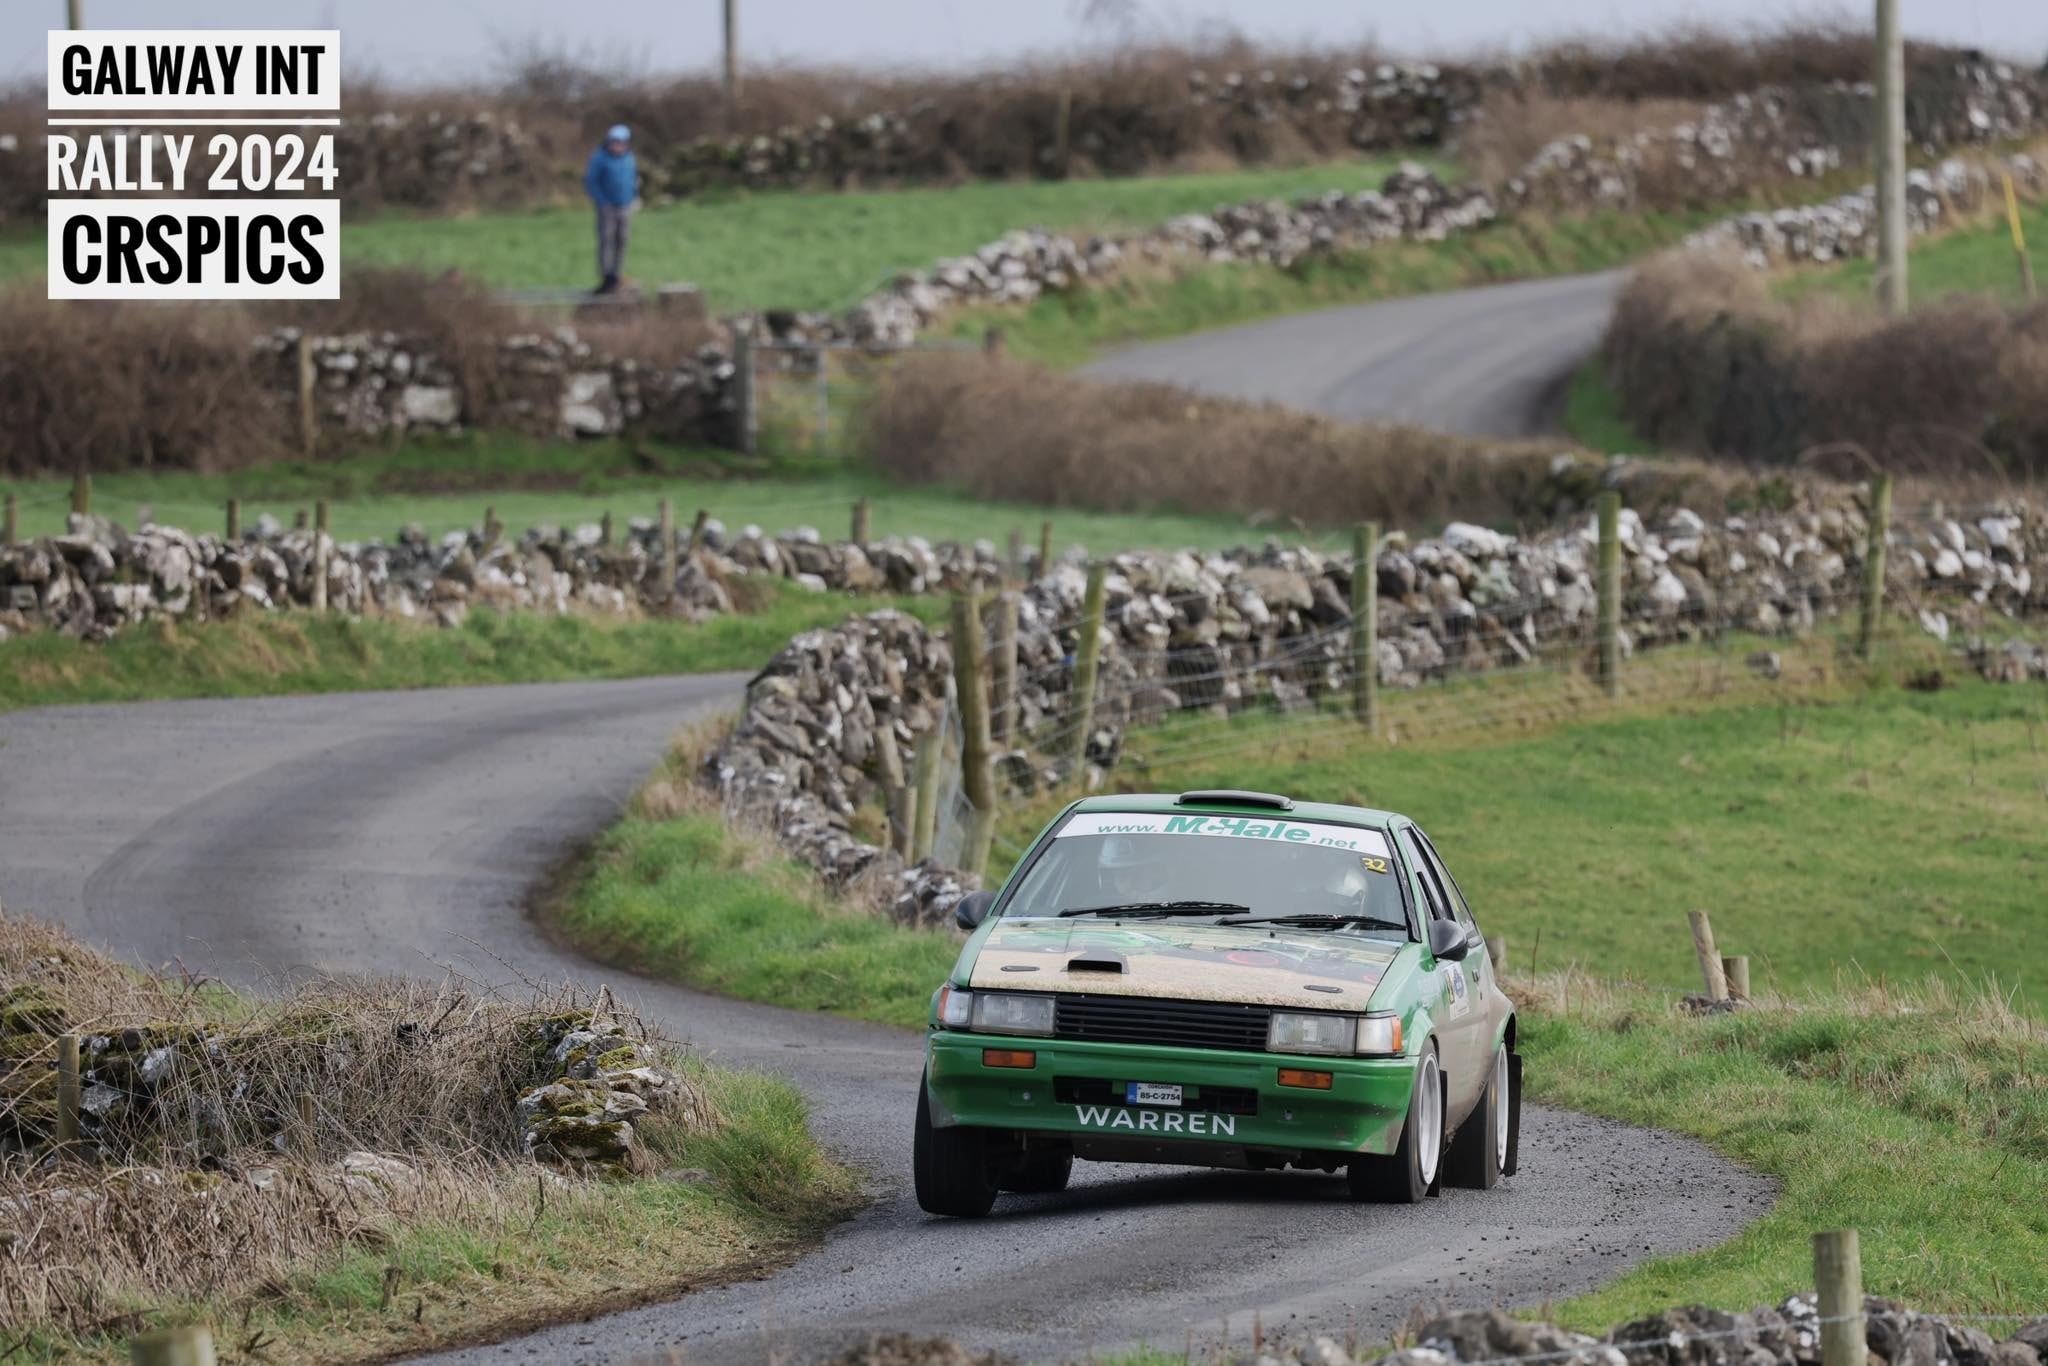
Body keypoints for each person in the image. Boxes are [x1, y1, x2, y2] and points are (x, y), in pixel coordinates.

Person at [583, 123, 638, 295]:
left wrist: (632, 198)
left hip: (624, 206)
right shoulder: (600, 158)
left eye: (621, 142)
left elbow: (633, 179)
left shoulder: (629, 158)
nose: (618, 146)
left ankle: (617, 273)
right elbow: (591, 181)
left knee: (622, 239)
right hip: (607, 207)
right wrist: (602, 201)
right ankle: (606, 276)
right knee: (606, 239)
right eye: (614, 142)